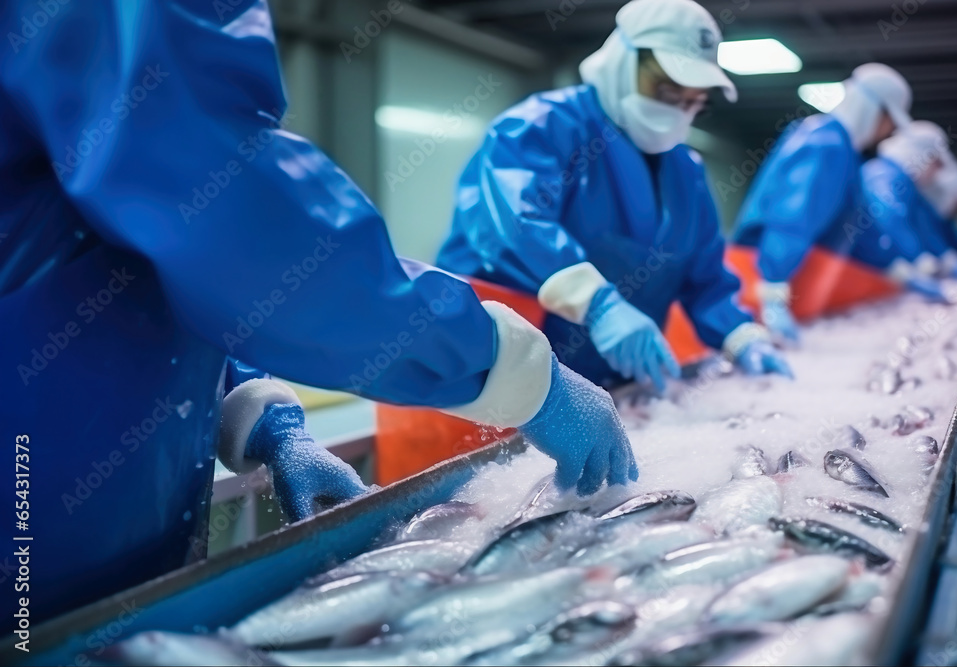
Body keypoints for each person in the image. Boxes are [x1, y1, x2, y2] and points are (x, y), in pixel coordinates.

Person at [0, 0, 636, 631]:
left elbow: (149, 254)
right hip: (34, 491)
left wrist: (259, 414)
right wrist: (509, 367)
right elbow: (238, 218)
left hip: (121, 491)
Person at [437, 0, 791, 396]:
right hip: (487, 393)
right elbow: (512, 227)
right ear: (623, 61)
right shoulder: (538, 128)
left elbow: (704, 279)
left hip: (609, 394)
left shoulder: (686, 173)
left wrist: (741, 335)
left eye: (694, 101)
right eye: (668, 89)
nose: (679, 109)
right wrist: (598, 304)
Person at [732, 63, 914, 344]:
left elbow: (859, 224)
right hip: (760, 276)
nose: (888, 132)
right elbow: (791, 220)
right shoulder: (825, 144)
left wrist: (895, 268)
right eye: (890, 122)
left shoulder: (845, 153)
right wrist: (772, 292)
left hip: (786, 278)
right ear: (874, 110)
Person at [851, 121, 954, 298]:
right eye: (934, 163)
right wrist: (916, 259)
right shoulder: (882, 174)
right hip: (855, 268)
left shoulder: (905, 185)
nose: (934, 173)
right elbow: (888, 216)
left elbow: (922, 227)